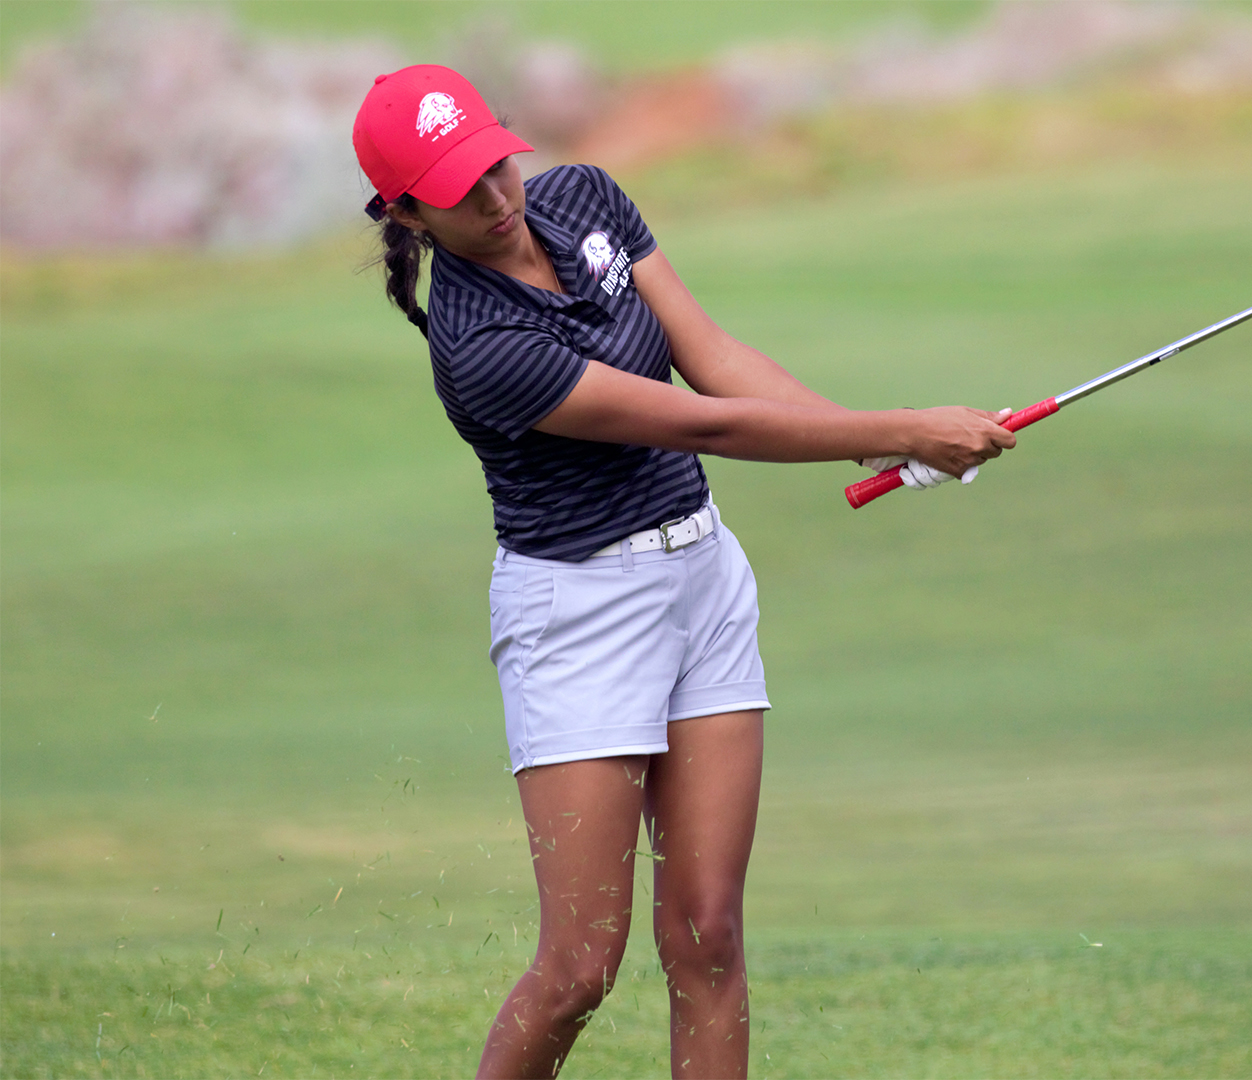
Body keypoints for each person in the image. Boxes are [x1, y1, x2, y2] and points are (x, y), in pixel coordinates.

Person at [351, 65, 1015, 1080]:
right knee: (579, 967)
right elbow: (703, 422)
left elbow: (711, 355)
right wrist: (903, 423)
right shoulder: (479, 342)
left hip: (701, 577)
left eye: (494, 162)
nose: (494, 195)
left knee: (708, 931)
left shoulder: (583, 196)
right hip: (580, 615)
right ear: (406, 212)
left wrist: (865, 446)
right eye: (457, 188)